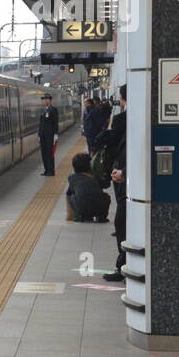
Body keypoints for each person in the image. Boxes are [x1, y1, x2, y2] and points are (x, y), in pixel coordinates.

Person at [99, 87, 128, 282]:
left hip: (127, 180)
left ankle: (124, 266)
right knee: (122, 221)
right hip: (125, 176)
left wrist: (124, 172)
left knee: (123, 222)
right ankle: (125, 265)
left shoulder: (122, 120)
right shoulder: (126, 118)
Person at [66, 152, 110, 222]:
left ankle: (79, 216)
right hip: (98, 208)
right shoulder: (94, 176)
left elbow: (69, 192)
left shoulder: (72, 178)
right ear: (89, 165)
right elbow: (107, 185)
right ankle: (101, 217)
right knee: (106, 196)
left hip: (82, 209)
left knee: (71, 196)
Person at [38, 92, 59, 176]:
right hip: (43, 135)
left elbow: (55, 122)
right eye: (44, 99)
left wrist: (55, 134)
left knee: (49, 153)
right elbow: (41, 123)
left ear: (50, 100)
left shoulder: (53, 110)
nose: (45, 101)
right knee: (43, 153)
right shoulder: (43, 110)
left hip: (50, 135)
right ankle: (46, 170)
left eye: (46, 99)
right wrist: (39, 135)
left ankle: (51, 171)